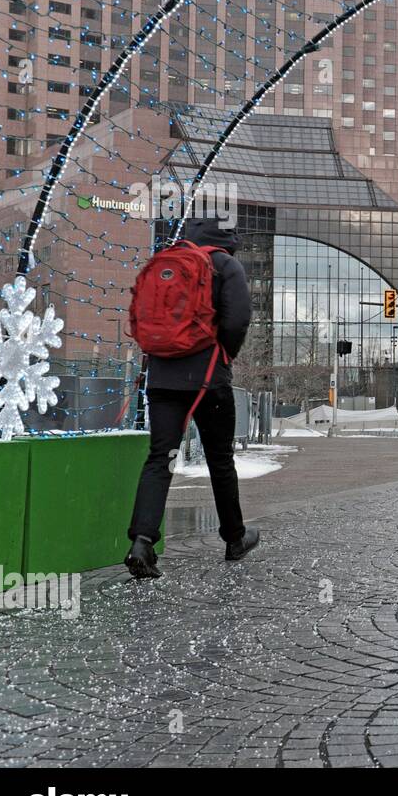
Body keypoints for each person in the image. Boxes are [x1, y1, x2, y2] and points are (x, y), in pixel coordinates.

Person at [124, 216, 261, 579]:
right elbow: (238, 319)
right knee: (220, 459)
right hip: (208, 378)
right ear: (228, 240)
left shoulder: (166, 259)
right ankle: (234, 538)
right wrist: (224, 354)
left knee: (161, 458)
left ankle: (141, 542)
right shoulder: (225, 265)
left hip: (161, 377)